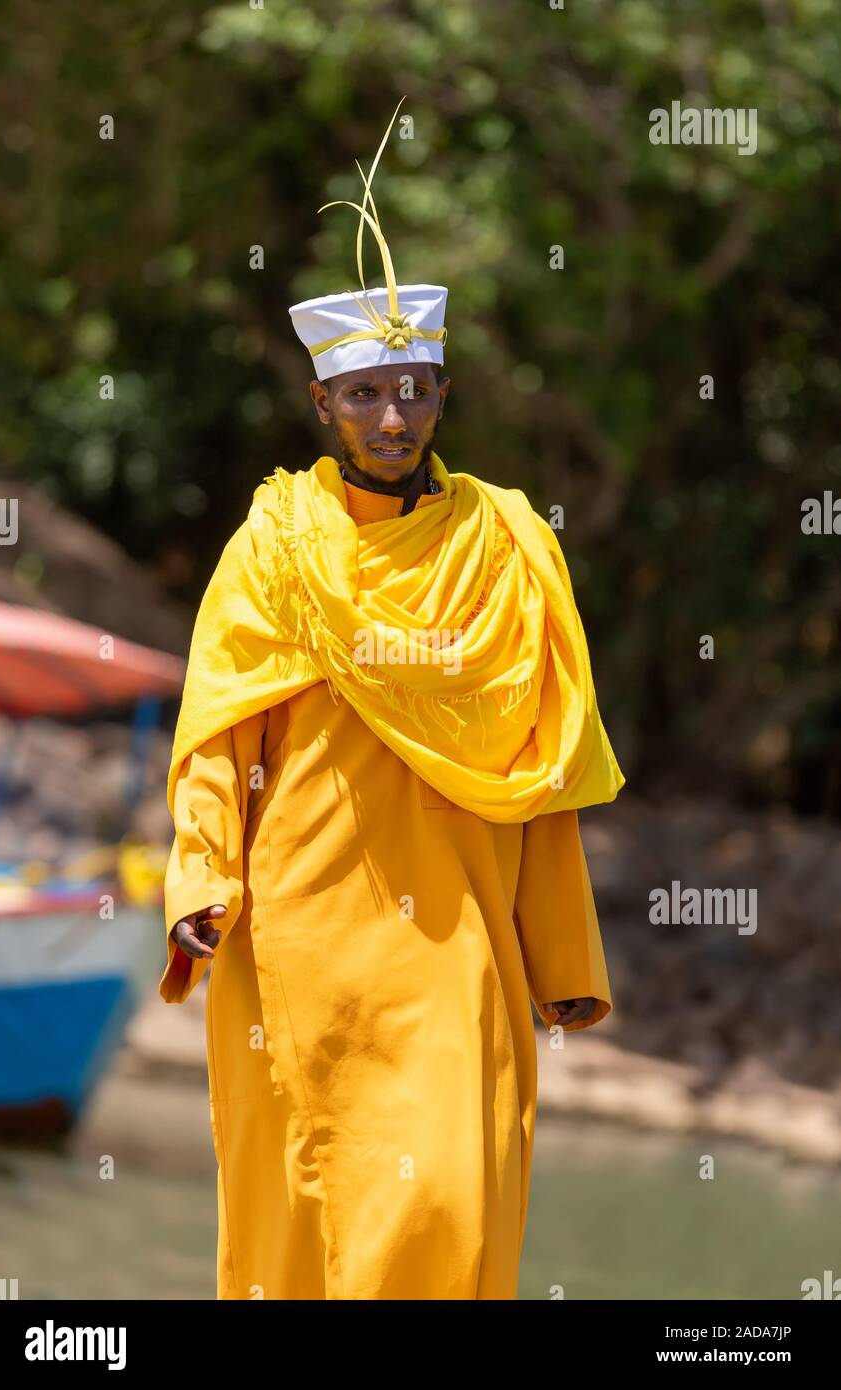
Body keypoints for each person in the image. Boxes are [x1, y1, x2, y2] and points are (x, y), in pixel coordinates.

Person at [159, 101, 625, 1300]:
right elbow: (218, 734)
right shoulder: (274, 545)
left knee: (444, 1197)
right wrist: (204, 876)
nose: (392, 415)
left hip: (459, 935)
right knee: (310, 1207)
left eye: (412, 388)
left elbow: (547, 763)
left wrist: (557, 950)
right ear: (324, 408)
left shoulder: (510, 543)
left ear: (442, 392)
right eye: (364, 394)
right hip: (303, 937)